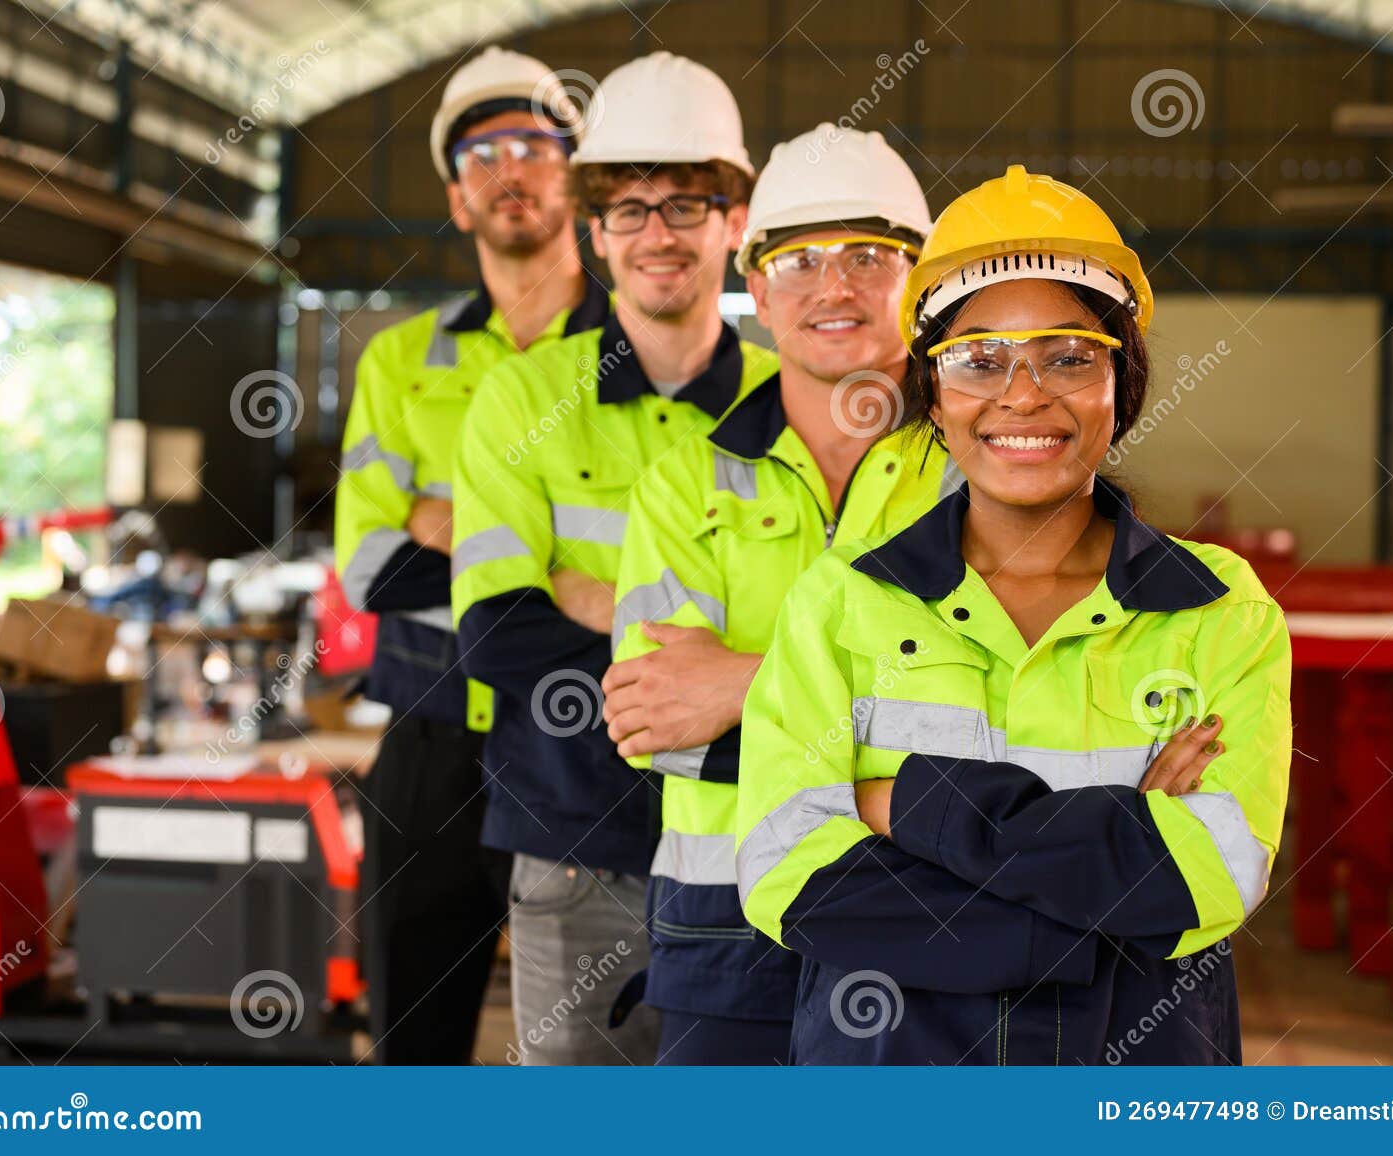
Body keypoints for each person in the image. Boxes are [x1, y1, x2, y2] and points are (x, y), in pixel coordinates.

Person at [735, 165, 1292, 1065]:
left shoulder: (1219, 611)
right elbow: (788, 879)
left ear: (1123, 376)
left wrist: (902, 803)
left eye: (1068, 355)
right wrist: (1114, 850)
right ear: (933, 392)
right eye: (978, 359)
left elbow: (1213, 873)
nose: (1023, 395)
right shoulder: (842, 605)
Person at [451, 51, 778, 1065]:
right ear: (594, 232)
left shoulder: (793, 405)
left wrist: (598, 602)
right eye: (629, 209)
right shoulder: (520, 400)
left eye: (686, 205)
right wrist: (709, 665)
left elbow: (840, 637)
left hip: (755, 846)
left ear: (735, 221)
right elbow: (499, 636)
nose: (657, 236)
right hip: (577, 842)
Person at [602, 125, 953, 1064]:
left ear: (920, 285)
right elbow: (658, 732)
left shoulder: (976, 478)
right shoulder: (685, 484)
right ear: (754, 287)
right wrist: (901, 737)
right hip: (725, 930)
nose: (834, 286)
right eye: (799, 260)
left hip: (933, 915)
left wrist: (743, 683)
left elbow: (1004, 720)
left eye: (870, 256)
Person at [334, 45, 607, 1065]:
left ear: (573, 178)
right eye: (481, 152)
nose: (509, 169)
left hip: (593, 740)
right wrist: (559, 571)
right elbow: (368, 568)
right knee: (412, 1032)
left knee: (599, 1034)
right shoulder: (404, 362)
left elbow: (670, 571)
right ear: (457, 198)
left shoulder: (637, 351)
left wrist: (457, 524)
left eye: (534, 143)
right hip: (432, 737)